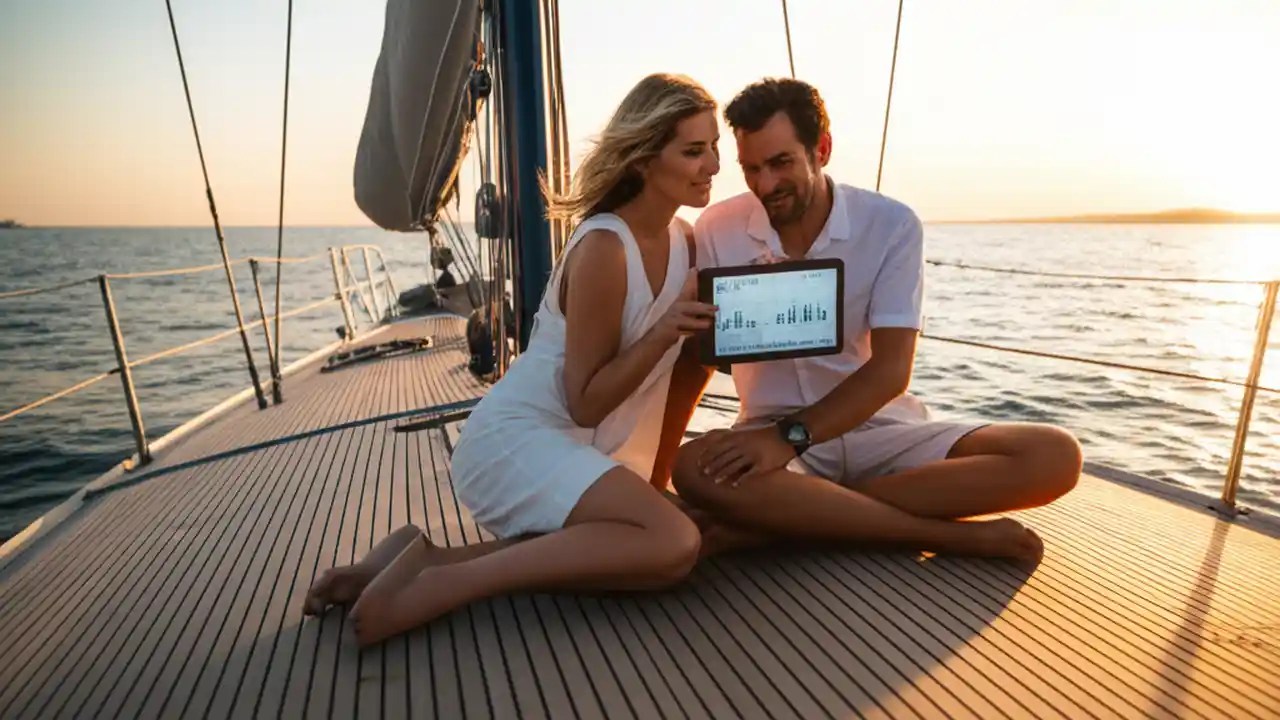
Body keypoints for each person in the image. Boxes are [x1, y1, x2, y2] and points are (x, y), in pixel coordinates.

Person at [303, 73, 723, 646]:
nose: (714, 166)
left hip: (587, 446)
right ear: (645, 159)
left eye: (714, 147)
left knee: (674, 543)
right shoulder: (605, 247)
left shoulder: (687, 241)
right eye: (695, 150)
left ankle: (422, 556)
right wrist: (664, 332)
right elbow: (584, 402)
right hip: (522, 438)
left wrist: (654, 477)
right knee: (672, 544)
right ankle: (445, 585)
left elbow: (683, 371)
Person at [670, 78, 1082, 562]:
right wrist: (663, 473)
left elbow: (891, 370)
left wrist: (790, 439)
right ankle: (944, 535)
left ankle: (781, 525)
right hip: (766, 434)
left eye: (781, 163)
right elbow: (696, 361)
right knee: (693, 468)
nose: (765, 185)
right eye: (751, 168)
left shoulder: (890, 224)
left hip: (880, 433)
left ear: (821, 149)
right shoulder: (717, 228)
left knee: (1054, 455)